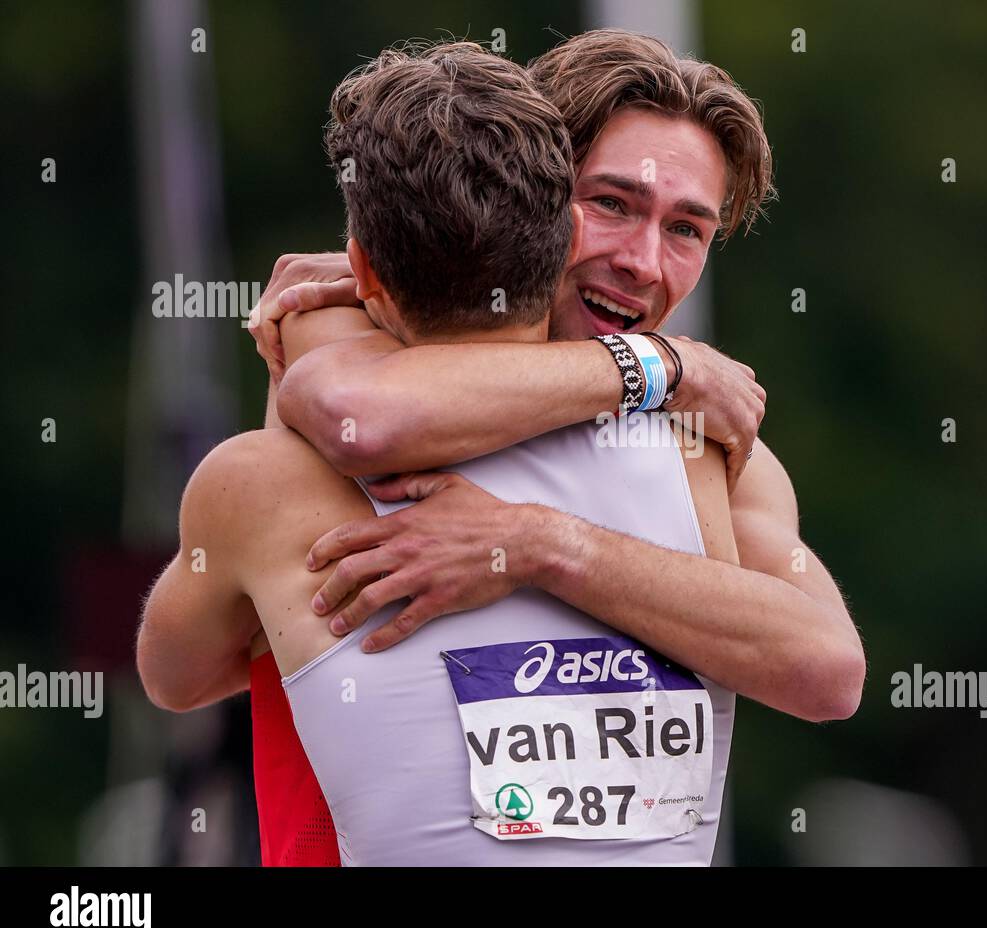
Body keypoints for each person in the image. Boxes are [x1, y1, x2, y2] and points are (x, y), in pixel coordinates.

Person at [139, 40, 754, 864]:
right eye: (613, 204)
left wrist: (542, 544)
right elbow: (358, 411)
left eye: (686, 227)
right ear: (546, 206)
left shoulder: (699, 432)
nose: (642, 261)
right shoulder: (682, 405)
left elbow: (828, 667)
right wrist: (657, 363)